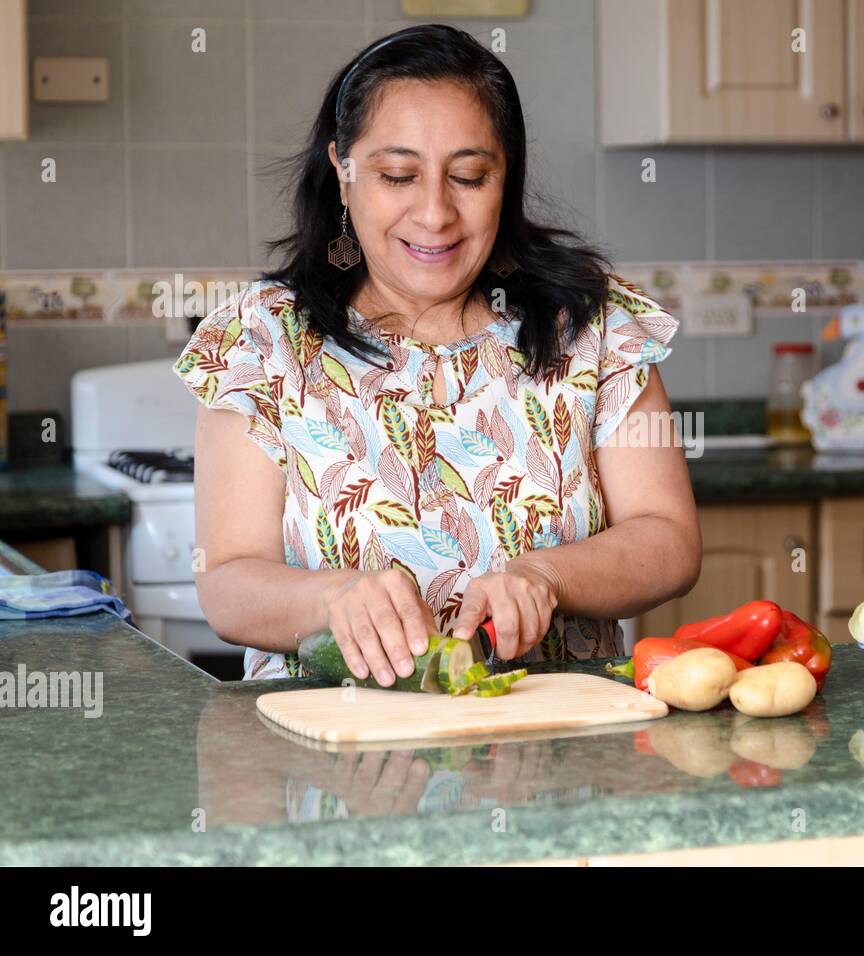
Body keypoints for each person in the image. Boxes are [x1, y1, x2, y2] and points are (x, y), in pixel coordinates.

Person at [174, 24, 700, 685]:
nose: (434, 214)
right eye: (398, 175)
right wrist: (330, 600)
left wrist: (544, 575)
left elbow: (669, 540)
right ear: (343, 171)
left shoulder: (594, 328)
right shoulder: (258, 342)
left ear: (506, 175)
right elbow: (225, 580)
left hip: (565, 754)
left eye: (469, 176)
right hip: (326, 760)